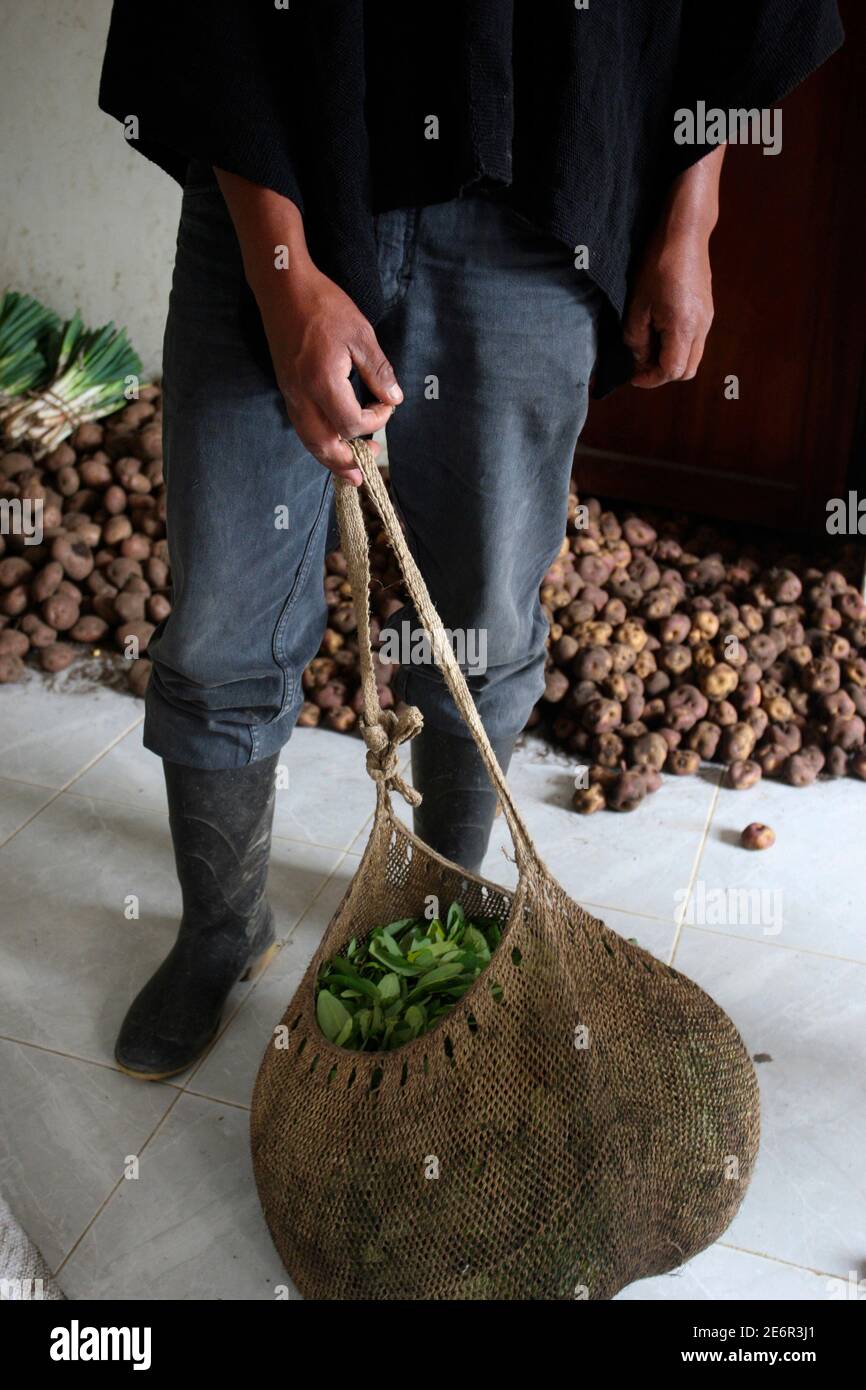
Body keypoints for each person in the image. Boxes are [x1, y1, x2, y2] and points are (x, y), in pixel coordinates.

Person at [98, 0, 843, 1079]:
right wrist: (280, 273)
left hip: (534, 204)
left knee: (485, 616)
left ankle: (442, 927)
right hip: (279, 182)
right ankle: (221, 929)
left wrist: (690, 222)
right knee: (221, 615)